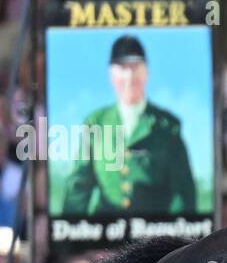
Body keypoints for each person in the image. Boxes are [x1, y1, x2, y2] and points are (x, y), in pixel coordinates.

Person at [60, 35, 198, 215]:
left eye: (135, 67)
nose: (129, 76)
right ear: (111, 74)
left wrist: (176, 239)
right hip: (103, 234)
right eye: (122, 68)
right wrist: (70, 237)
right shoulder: (95, 122)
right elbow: (79, 186)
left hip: (154, 234)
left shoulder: (168, 126)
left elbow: (183, 193)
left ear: (146, 72)